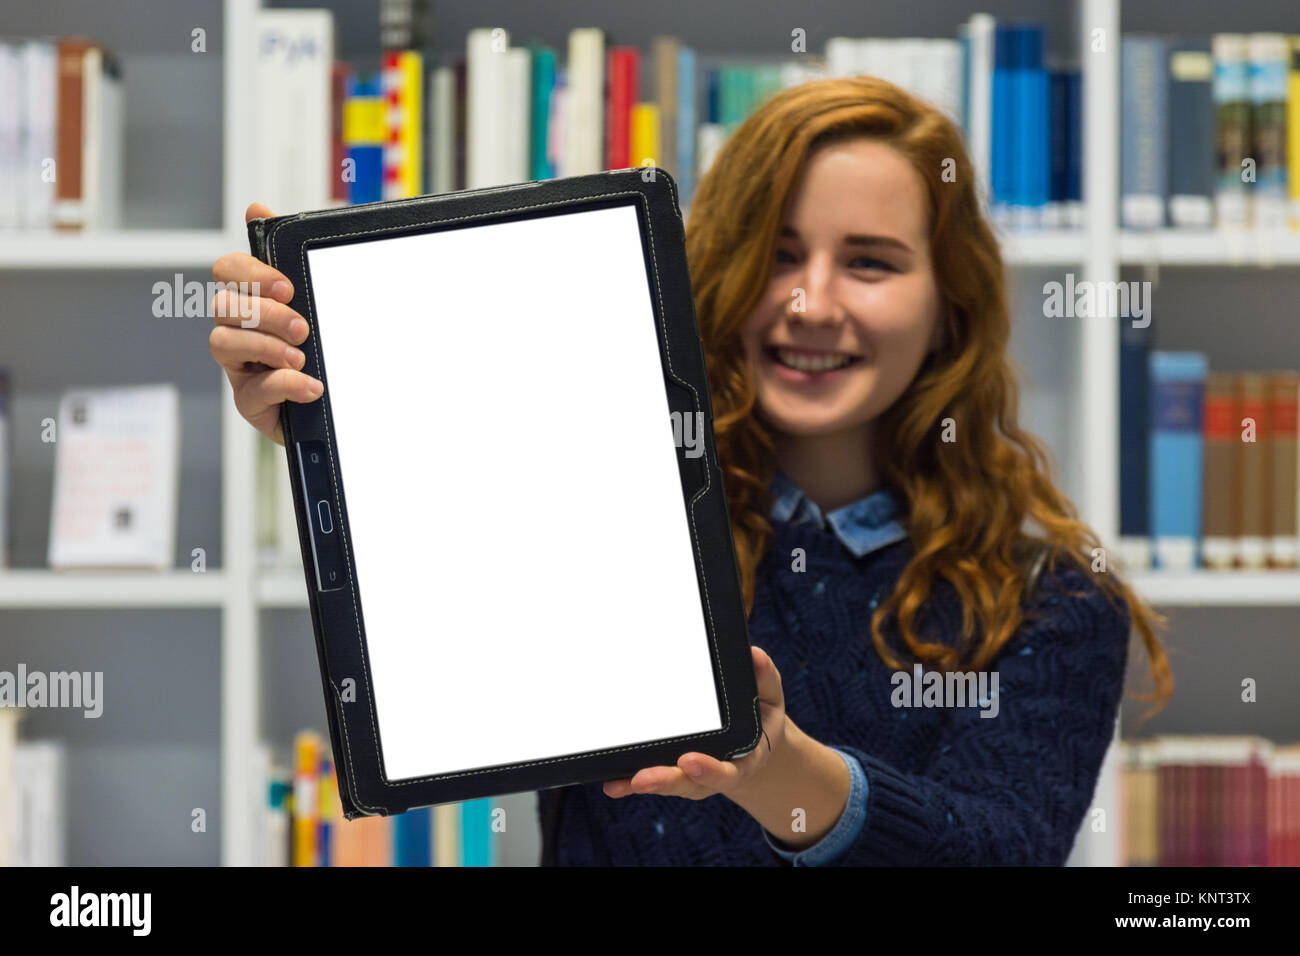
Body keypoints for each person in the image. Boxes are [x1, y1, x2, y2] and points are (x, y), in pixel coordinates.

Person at [208, 75, 1172, 867]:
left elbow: (1003, 854)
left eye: (870, 263)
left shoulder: (1054, 604)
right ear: (716, 268)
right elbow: (454, 584)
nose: (811, 303)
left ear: (949, 303)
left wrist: (777, 770)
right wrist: (319, 406)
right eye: (779, 254)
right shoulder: (605, 515)